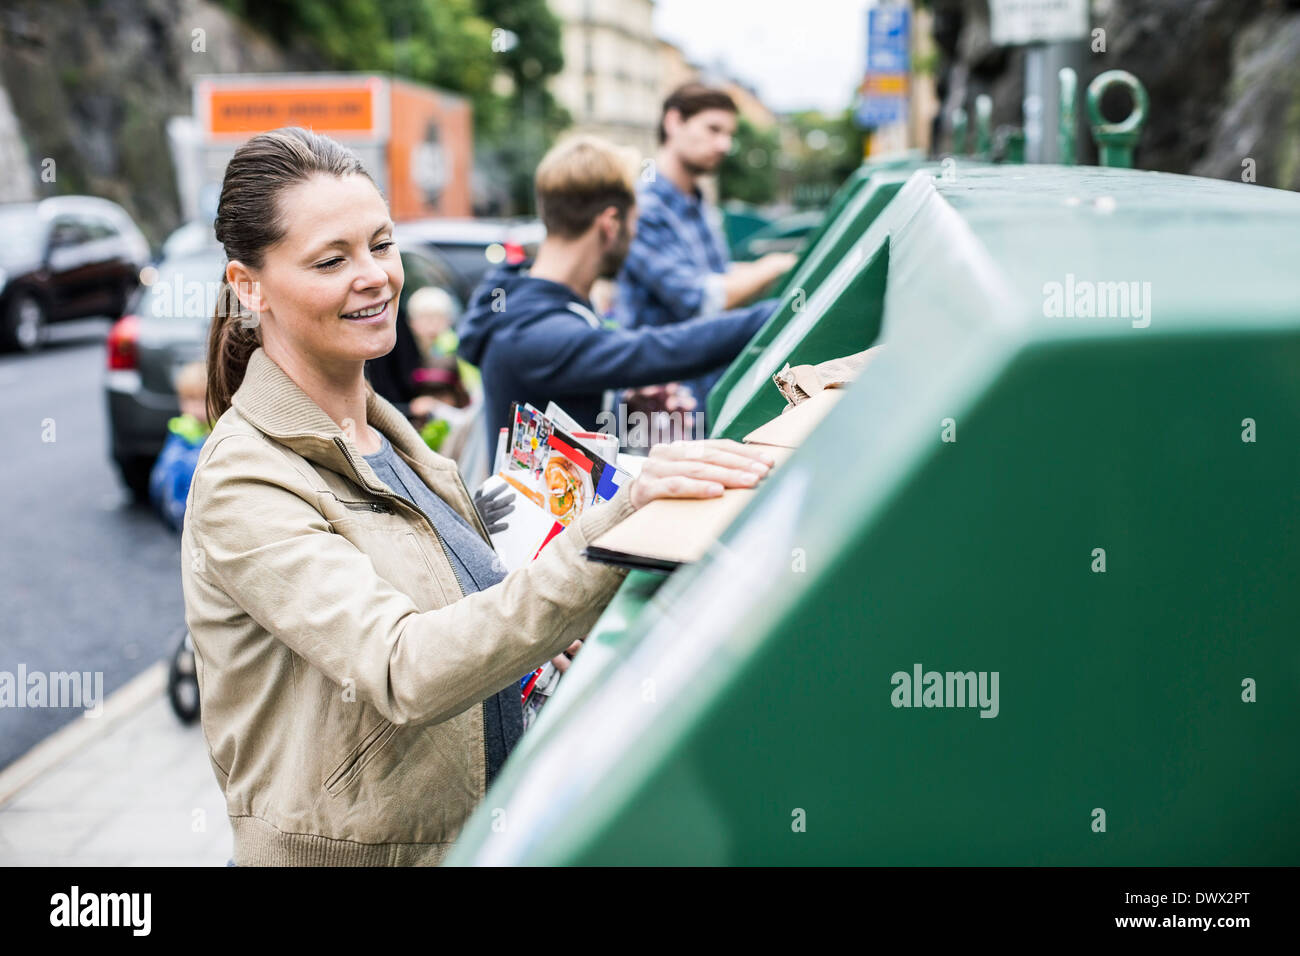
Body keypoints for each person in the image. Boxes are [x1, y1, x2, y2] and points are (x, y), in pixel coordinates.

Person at [180, 126, 775, 867]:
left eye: (382, 244)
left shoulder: (394, 441)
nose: (374, 276)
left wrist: (545, 635)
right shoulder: (245, 478)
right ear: (249, 287)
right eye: (332, 260)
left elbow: (460, 609)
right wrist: (615, 526)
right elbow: (404, 666)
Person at [457, 135, 775, 460]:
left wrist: (620, 402)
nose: (635, 236)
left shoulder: (534, 303)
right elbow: (657, 350)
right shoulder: (532, 332)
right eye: (634, 223)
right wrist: (777, 313)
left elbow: (558, 413)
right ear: (610, 224)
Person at [614, 83, 798, 421]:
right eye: (713, 129)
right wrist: (775, 266)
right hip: (661, 403)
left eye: (729, 133)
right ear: (674, 122)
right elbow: (700, 298)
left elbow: (719, 274)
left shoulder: (696, 201)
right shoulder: (643, 207)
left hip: (705, 389)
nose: (724, 144)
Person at [149, 360, 210, 531]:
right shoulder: (180, 432)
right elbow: (162, 477)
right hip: (182, 516)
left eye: (203, 399)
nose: (196, 409)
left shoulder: (220, 433)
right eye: (189, 400)